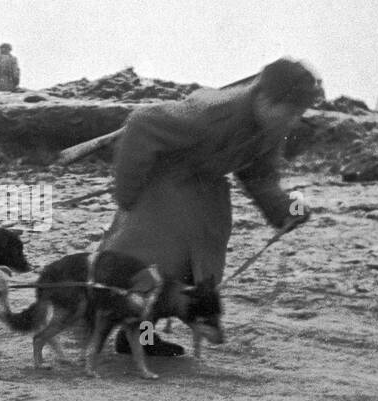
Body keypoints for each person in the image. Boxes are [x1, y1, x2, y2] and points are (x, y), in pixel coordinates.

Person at [101, 57, 323, 355]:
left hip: (204, 199)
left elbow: (260, 178)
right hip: (163, 192)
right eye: (291, 111)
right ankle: (122, 330)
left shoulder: (269, 128)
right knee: (155, 267)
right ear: (265, 99)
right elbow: (142, 123)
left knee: (191, 277)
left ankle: (140, 336)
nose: (293, 119)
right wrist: (127, 195)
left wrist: (288, 211)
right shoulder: (209, 114)